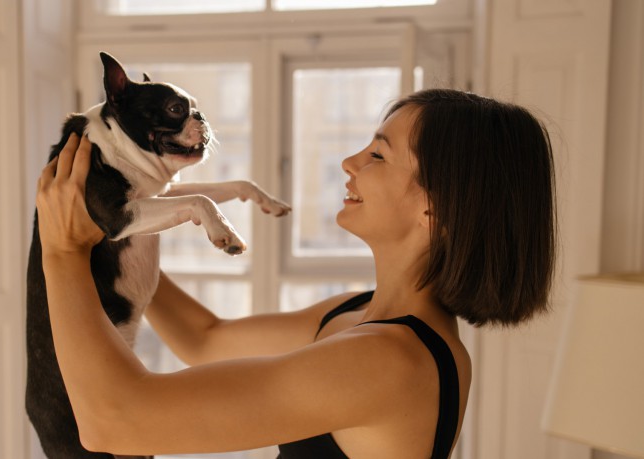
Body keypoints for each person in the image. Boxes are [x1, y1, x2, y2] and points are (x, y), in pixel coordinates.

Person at [35, 88, 556, 458]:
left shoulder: (389, 361)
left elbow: (115, 423)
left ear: (437, 208)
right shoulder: (360, 315)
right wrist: (112, 225)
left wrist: (61, 253)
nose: (350, 162)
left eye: (378, 154)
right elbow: (205, 340)